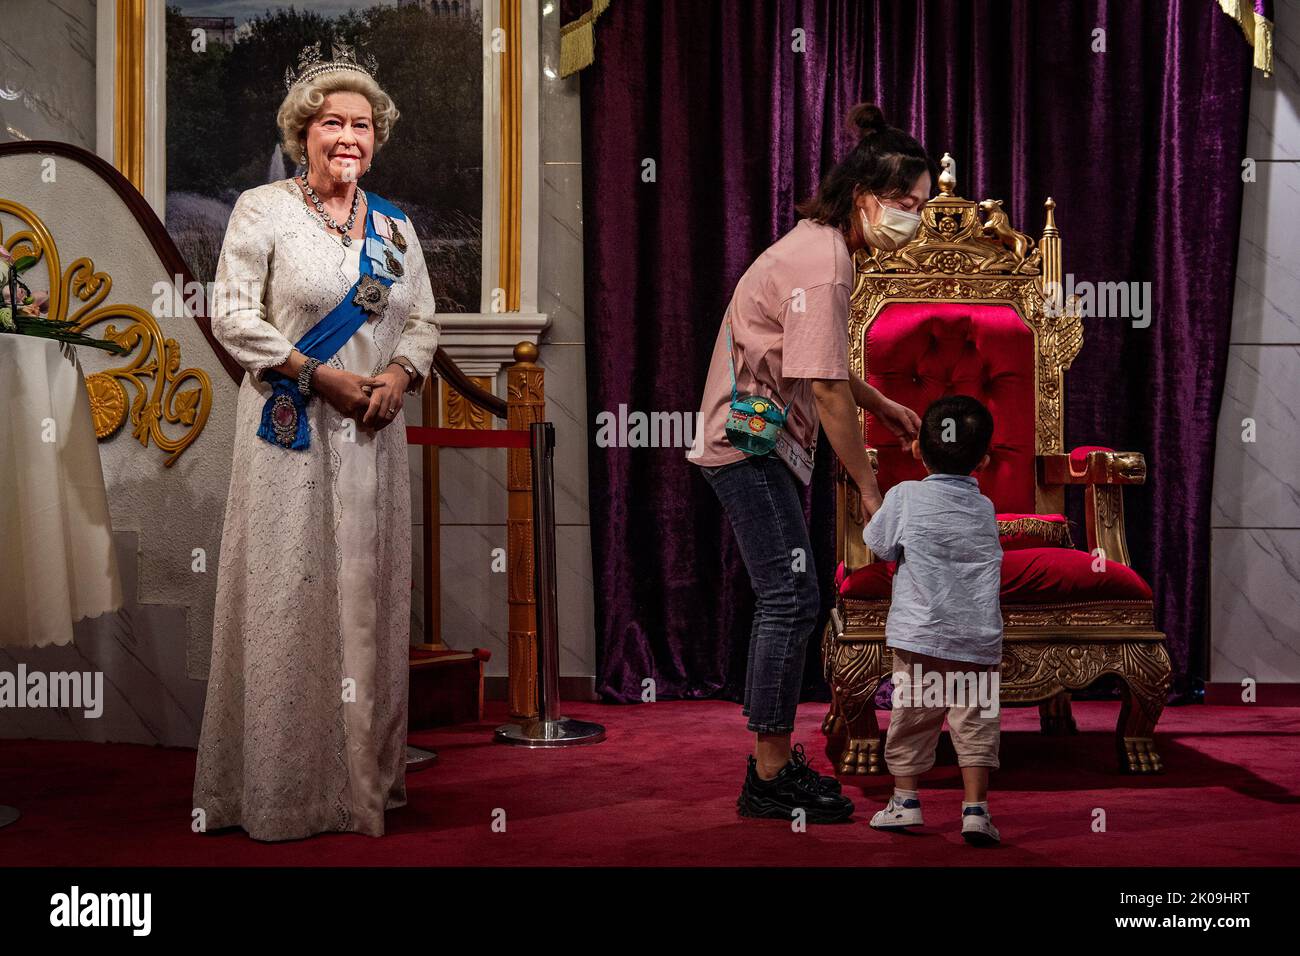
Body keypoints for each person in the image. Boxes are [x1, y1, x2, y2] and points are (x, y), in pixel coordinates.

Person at [192, 43, 439, 841]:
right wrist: (316, 374)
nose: (348, 137)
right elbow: (232, 315)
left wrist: (399, 377)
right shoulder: (261, 209)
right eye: (333, 121)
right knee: (289, 601)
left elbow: (425, 320)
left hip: (372, 437)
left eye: (361, 124)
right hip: (289, 434)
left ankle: (361, 783)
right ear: (305, 131)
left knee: (366, 606)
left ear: (375, 138)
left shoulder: (396, 228)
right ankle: (279, 791)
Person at [687, 103, 932, 824]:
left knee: (790, 598)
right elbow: (823, 388)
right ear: (862, 196)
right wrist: (868, 485)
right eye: (902, 203)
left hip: (763, 444)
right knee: (791, 599)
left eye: (919, 205)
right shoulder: (825, 263)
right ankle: (767, 774)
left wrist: (880, 402)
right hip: (747, 448)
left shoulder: (822, 247)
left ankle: (772, 761)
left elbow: (819, 360)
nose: (911, 218)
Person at [864, 395, 1004, 846]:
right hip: (977, 639)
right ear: (983, 460)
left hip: (921, 636)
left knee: (913, 718)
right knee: (977, 722)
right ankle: (976, 811)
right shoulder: (984, 509)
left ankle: (905, 802)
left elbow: (879, 545)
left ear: (918, 451)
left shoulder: (904, 496)